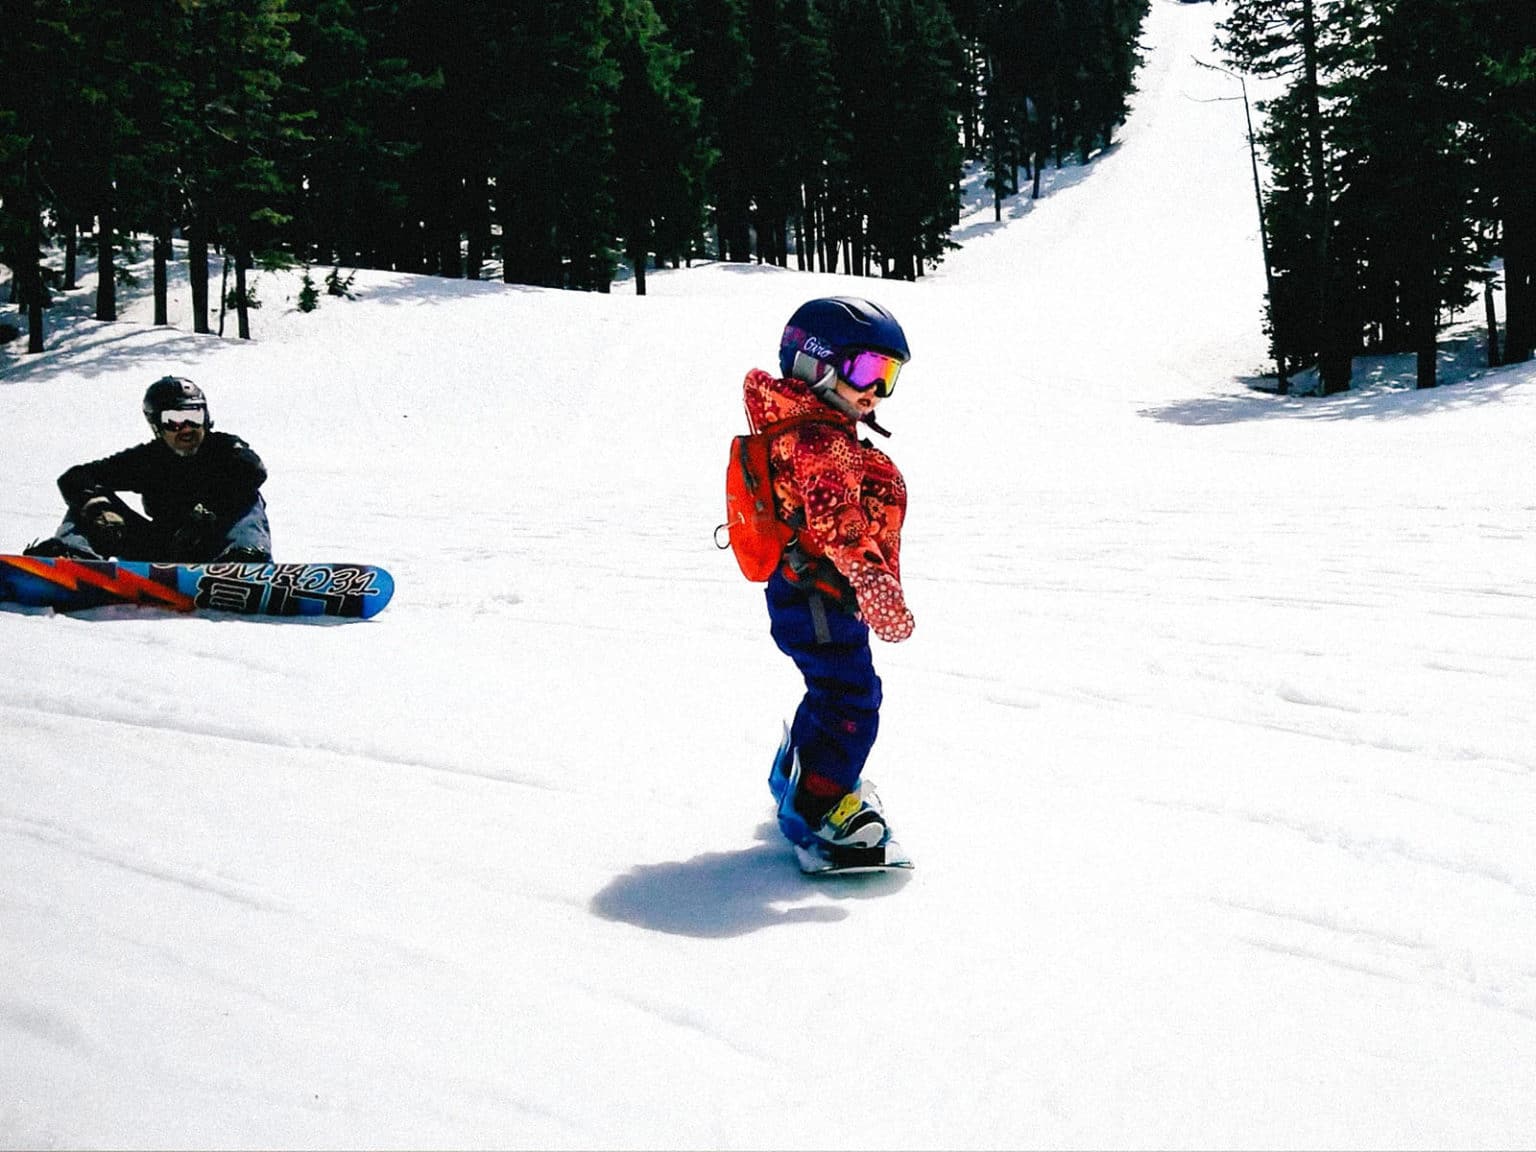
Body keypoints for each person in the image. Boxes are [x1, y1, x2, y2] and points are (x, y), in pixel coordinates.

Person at [746, 296, 916, 859]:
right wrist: (877, 588)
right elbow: (838, 524)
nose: (875, 389)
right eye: (865, 369)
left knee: (833, 691)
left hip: (808, 590)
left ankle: (800, 773)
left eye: (887, 376)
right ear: (813, 363)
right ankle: (818, 810)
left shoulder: (808, 426)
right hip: (820, 591)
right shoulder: (822, 442)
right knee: (853, 700)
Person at [24, 375, 273, 563]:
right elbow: (75, 477)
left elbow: (253, 470)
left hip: (216, 552)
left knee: (249, 497)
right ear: (156, 425)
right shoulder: (148, 459)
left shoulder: (223, 447)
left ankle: (246, 560)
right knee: (85, 502)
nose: (186, 428)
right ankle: (71, 557)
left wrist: (209, 511)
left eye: (193, 417)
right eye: (173, 421)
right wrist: (98, 509)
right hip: (162, 549)